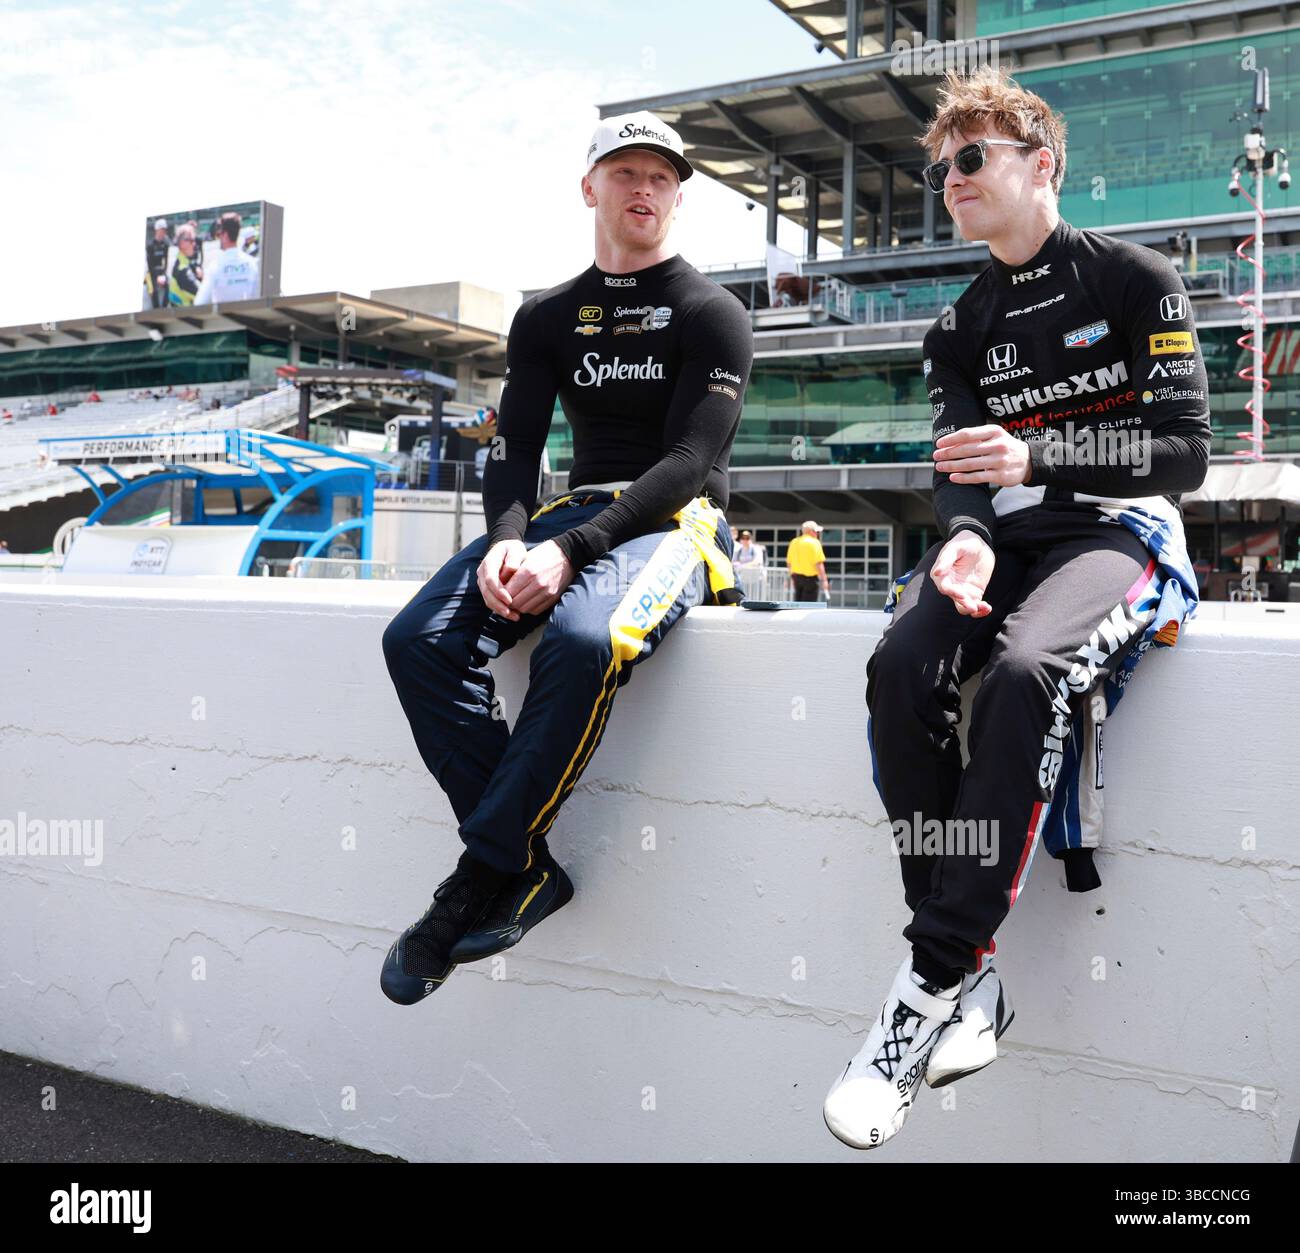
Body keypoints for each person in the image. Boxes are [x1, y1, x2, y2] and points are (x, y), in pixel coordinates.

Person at [822, 67, 1211, 1151]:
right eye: (939, 167)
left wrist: (1039, 452)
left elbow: (1184, 453)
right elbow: (957, 470)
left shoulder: (1135, 277)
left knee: (1032, 671)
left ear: (1042, 164)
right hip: (1005, 541)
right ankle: (973, 975)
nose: (949, 180)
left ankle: (921, 992)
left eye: (971, 159)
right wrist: (960, 532)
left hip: (1117, 531)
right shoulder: (957, 325)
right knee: (900, 667)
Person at [378, 111, 754, 1005]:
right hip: (566, 516)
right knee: (417, 640)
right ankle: (530, 868)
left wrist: (572, 553)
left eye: (662, 177)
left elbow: (689, 465)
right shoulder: (547, 315)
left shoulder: (712, 312)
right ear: (589, 187)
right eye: (625, 172)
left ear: (676, 193)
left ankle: (478, 876)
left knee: (583, 641)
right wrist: (509, 540)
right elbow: (513, 450)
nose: (644, 190)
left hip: (677, 524)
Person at [194, 212, 260, 304]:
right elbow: (257, 298)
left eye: (218, 234)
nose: (218, 238)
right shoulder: (252, 263)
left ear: (225, 235)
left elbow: (199, 303)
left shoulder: (215, 266)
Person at [786, 520, 828, 601]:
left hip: (796, 578)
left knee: (798, 605)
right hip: (810, 580)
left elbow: (789, 563)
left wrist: (792, 577)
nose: (817, 534)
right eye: (816, 531)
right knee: (809, 606)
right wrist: (824, 580)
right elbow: (819, 564)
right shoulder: (815, 542)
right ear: (810, 531)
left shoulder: (794, 542)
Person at [168, 223, 205, 306]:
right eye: (192, 240)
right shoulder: (183, 271)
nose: (194, 244)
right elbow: (204, 297)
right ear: (182, 243)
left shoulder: (182, 262)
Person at [145, 218, 171, 309]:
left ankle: (164, 308)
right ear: (157, 230)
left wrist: (163, 274)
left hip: (161, 271)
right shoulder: (150, 245)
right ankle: (156, 309)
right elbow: (149, 263)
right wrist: (155, 277)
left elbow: (166, 261)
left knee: (169, 286)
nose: (164, 232)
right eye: (162, 230)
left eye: (165, 230)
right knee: (153, 289)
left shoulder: (166, 244)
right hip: (151, 272)